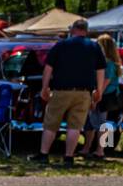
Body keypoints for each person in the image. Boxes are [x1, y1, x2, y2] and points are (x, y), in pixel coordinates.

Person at [33, 18, 105, 166]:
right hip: (83, 92)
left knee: (51, 123)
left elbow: (48, 68)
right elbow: (100, 70)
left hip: (61, 90)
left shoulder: (61, 45)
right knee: (75, 126)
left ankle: (44, 154)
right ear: (86, 30)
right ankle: (68, 157)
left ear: (73, 29)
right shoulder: (94, 46)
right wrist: (99, 90)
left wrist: (45, 87)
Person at [84, 34, 123, 159]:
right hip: (105, 95)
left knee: (103, 123)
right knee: (92, 123)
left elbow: (105, 82)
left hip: (106, 96)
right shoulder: (110, 62)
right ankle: (88, 148)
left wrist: (95, 98)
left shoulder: (109, 64)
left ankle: (101, 150)